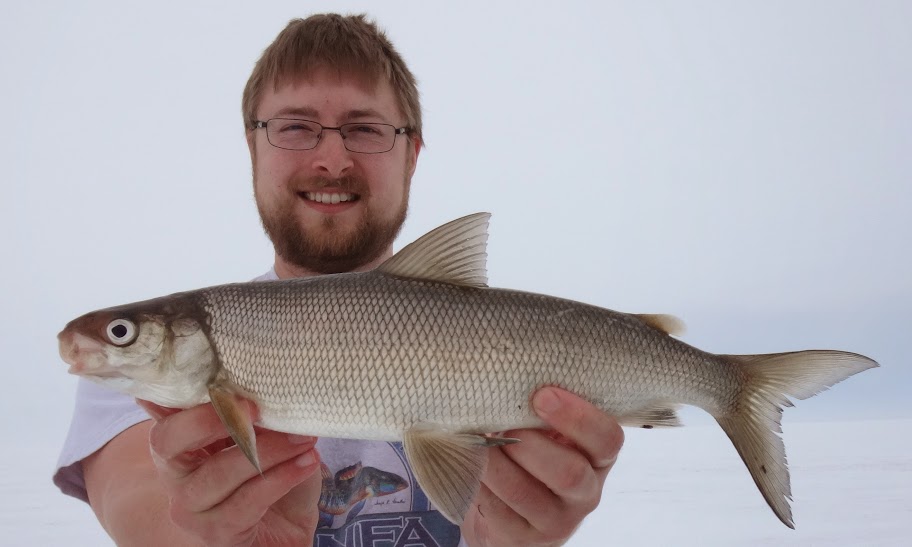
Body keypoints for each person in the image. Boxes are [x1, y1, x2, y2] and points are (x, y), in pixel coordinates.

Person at [54, 13, 624, 546]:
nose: (332, 159)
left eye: (365, 129)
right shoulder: (135, 383)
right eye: (296, 127)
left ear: (413, 154)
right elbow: (141, 505)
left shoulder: (522, 335)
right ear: (252, 146)